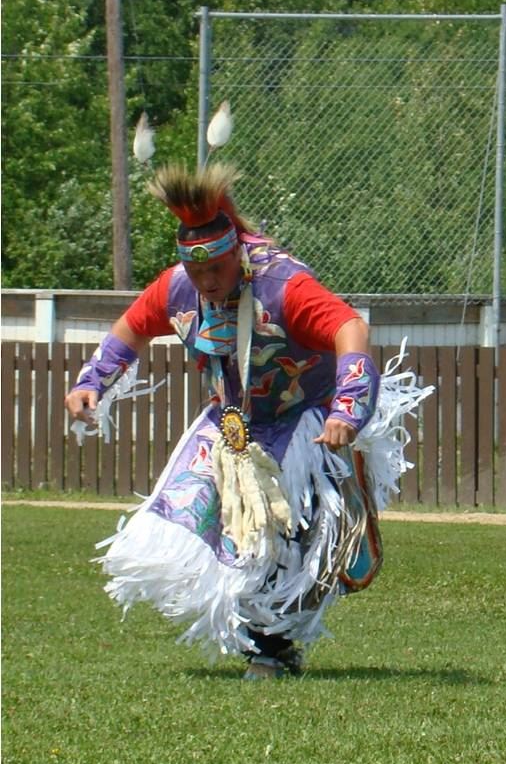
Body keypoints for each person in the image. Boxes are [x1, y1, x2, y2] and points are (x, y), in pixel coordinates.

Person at [66, 162, 430, 679]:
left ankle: (271, 647)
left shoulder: (283, 286)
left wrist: (348, 406)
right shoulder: (177, 288)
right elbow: (132, 327)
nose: (208, 282)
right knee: (190, 517)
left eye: (217, 269)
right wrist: (92, 381)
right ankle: (248, 629)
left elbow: (350, 327)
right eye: (198, 273)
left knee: (285, 542)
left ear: (236, 252)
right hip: (231, 423)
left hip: (304, 421)